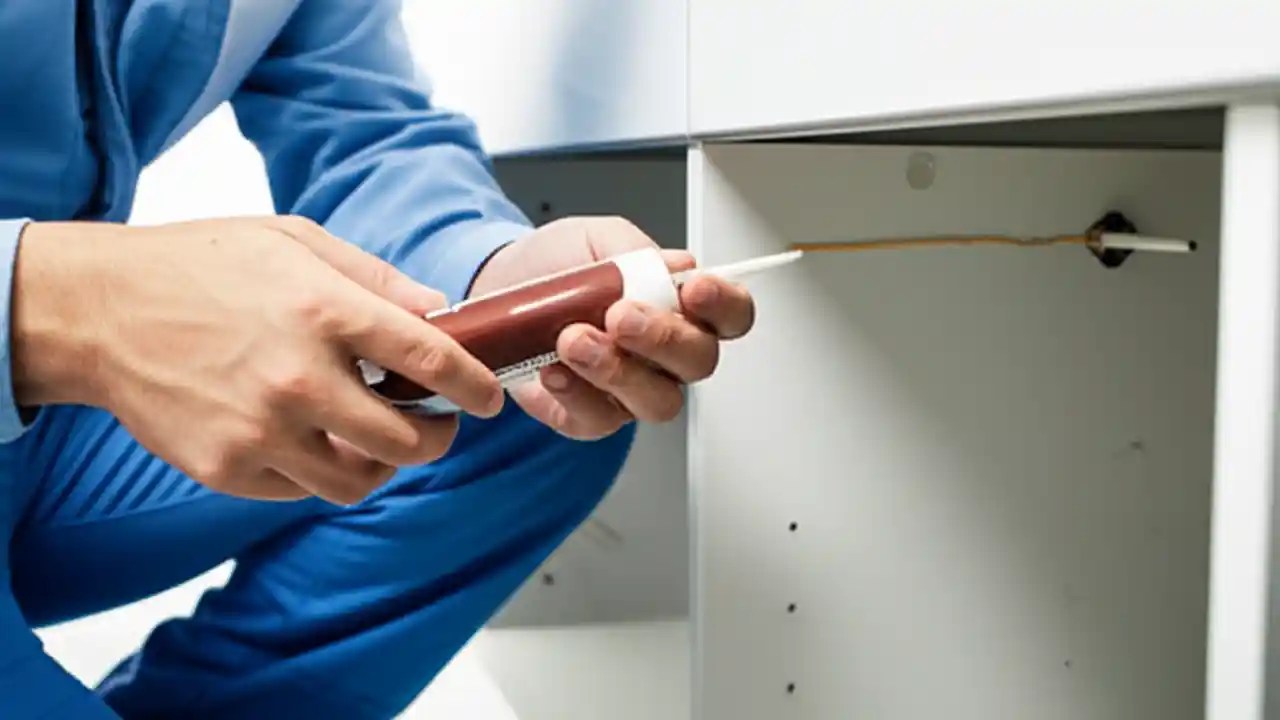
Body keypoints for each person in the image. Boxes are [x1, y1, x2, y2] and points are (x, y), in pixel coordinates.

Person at [0, 1, 756, 717]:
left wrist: (491, 282)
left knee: (498, 402)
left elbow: (362, 125)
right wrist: (65, 300)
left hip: (35, 426)